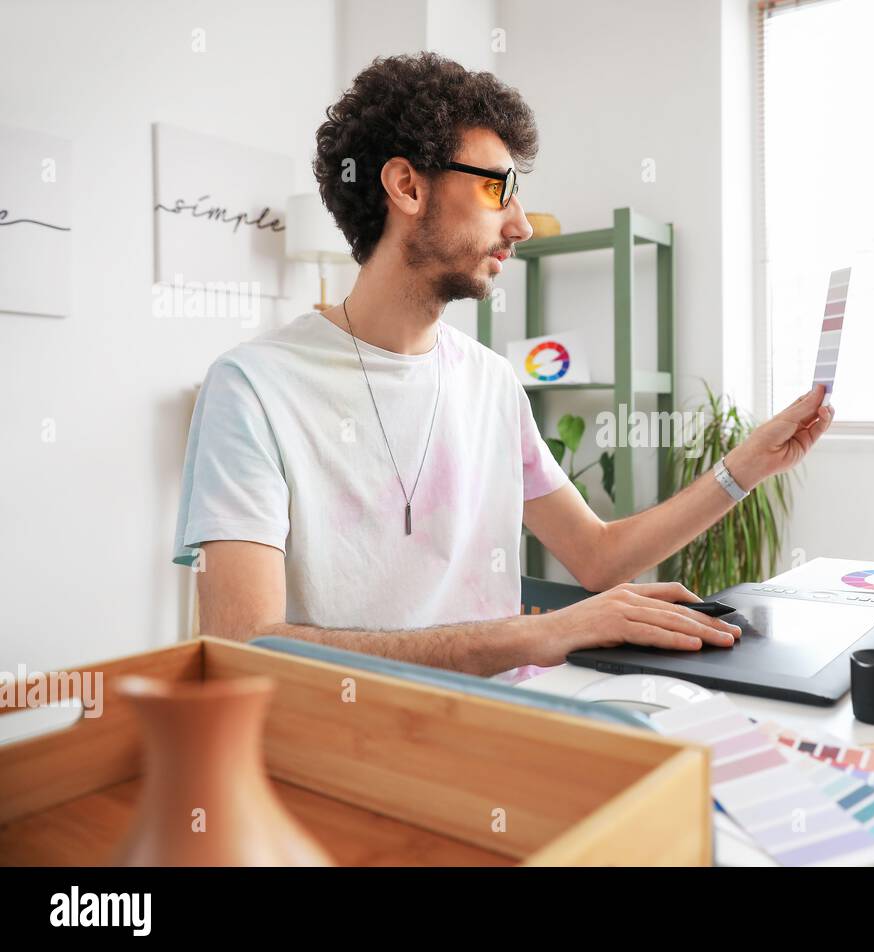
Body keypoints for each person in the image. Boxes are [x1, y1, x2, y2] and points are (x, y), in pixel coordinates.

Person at [173, 52, 833, 678]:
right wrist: (541, 632)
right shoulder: (253, 388)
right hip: (358, 751)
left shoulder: (491, 382)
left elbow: (598, 557)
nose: (520, 225)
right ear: (406, 186)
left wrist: (747, 466)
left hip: (507, 720)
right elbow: (243, 644)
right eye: (498, 189)